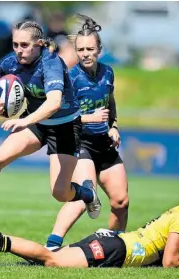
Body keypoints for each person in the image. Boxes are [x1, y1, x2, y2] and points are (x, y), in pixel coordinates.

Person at [0, 20, 100, 216]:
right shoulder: (10, 62)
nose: (19, 50)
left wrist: (25, 121)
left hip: (65, 126)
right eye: (15, 44)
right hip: (37, 123)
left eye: (24, 45)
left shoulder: (50, 63)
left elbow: (54, 103)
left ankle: (88, 194)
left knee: (60, 193)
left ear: (40, 44)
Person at [45, 14, 129, 250]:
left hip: (104, 142)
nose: (86, 54)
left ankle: (115, 247)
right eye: (81, 49)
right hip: (80, 144)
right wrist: (88, 118)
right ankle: (52, 245)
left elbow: (110, 102)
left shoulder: (108, 73)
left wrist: (113, 126)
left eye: (90, 48)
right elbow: (59, 117)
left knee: (121, 201)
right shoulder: (70, 78)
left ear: (99, 49)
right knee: (84, 195)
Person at [0, 197, 179, 269]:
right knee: (51, 259)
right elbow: (170, 262)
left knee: (50, 257)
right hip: (117, 250)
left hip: (113, 242)